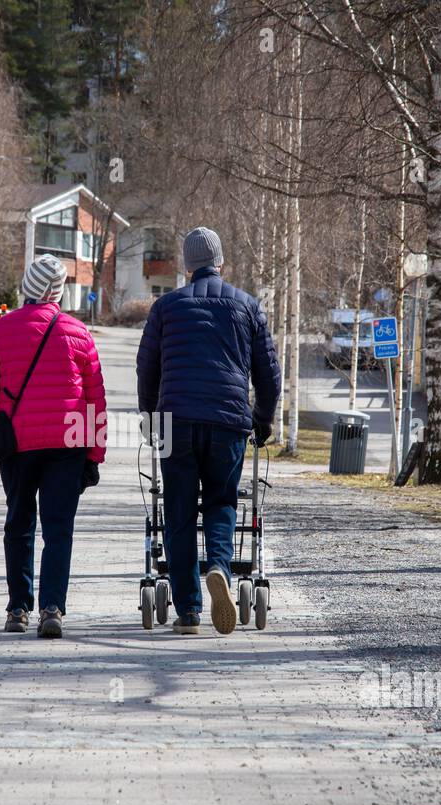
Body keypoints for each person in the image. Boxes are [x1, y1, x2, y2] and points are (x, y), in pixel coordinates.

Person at [136, 227, 281, 636]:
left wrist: (149, 416)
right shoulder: (247, 306)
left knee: (178, 512)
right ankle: (219, 567)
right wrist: (263, 418)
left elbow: (147, 368)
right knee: (221, 501)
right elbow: (268, 373)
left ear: (186, 266)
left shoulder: (165, 307)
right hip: (228, 422)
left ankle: (189, 612)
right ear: (221, 263)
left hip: (176, 423)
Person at [0, 254, 106, 638]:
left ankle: (17, 609)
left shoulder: (0, 331)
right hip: (68, 444)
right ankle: (52, 609)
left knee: (19, 525)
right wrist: (94, 455)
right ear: (59, 292)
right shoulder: (78, 332)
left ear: (28, 287)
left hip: (17, 447)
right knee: (59, 528)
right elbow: (95, 398)